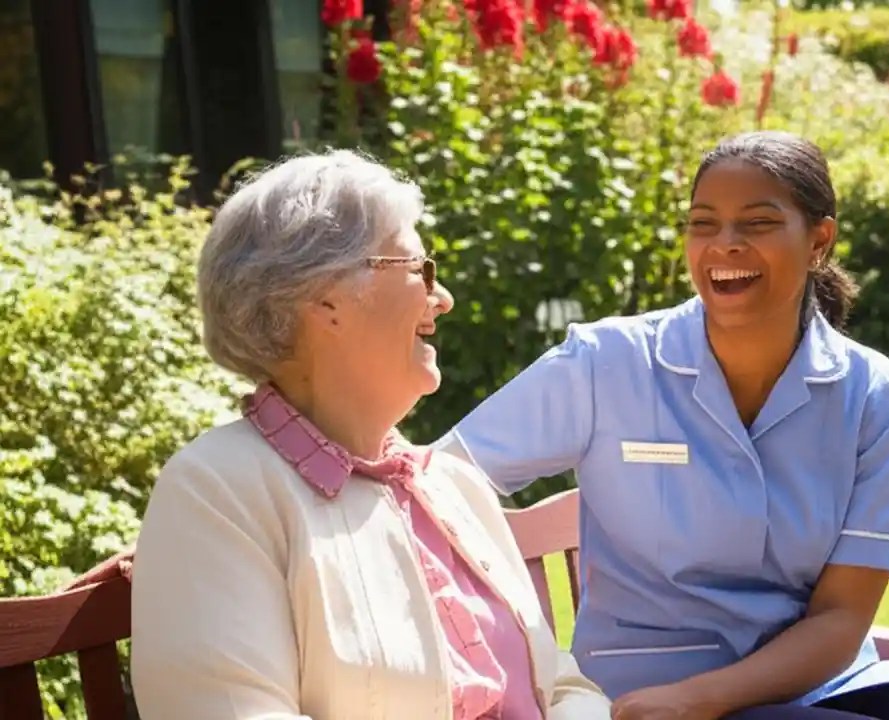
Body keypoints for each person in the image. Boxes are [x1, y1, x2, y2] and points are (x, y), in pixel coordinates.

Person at [433, 131, 889, 720]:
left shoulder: (871, 394)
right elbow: (438, 484)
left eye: (756, 222)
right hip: (647, 698)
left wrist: (711, 696)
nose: (724, 245)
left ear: (819, 240)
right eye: (704, 223)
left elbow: (843, 615)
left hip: (820, 682)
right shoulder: (606, 364)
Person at [129, 149, 612, 720]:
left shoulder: (449, 483)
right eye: (418, 269)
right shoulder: (216, 491)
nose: (442, 298)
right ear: (326, 298)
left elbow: (560, 686)